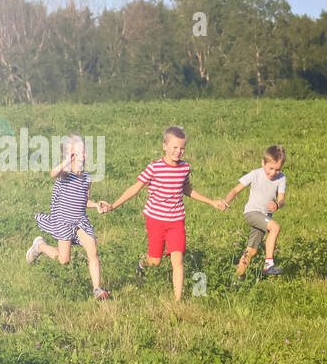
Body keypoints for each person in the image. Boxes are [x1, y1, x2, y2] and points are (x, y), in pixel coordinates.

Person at [101, 126, 227, 301]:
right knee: (155, 261)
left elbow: (187, 190)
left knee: (178, 260)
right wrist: (113, 205)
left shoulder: (185, 168)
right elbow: (135, 188)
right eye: (174, 147)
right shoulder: (154, 168)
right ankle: (142, 263)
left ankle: (177, 301)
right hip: (156, 220)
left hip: (176, 221)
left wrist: (211, 201)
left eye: (182, 148)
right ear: (164, 146)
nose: (178, 151)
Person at [25, 134, 111, 300]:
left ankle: (97, 289)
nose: (82, 156)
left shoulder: (87, 177)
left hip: (80, 221)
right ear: (69, 156)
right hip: (63, 221)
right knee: (64, 260)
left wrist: (96, 205)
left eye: (84, 153)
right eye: (77, 153)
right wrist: (66, 161)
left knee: (93, 251)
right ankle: (40, 246)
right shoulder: (65, 173)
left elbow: (84, 201)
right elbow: (52, 173)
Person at [223, 145, 287, 281]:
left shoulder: (281, 178)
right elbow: (235, 190)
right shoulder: (255, 174)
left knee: (251, 250)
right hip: (252, 213)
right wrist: (226, 202)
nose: (273, 172)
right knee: (275, 227)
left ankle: (237, 279)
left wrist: (277, 205)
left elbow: (281, 199)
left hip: (265, 217)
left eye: (277, 169)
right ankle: (269, 264)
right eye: (271, 168)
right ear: (263, 162)